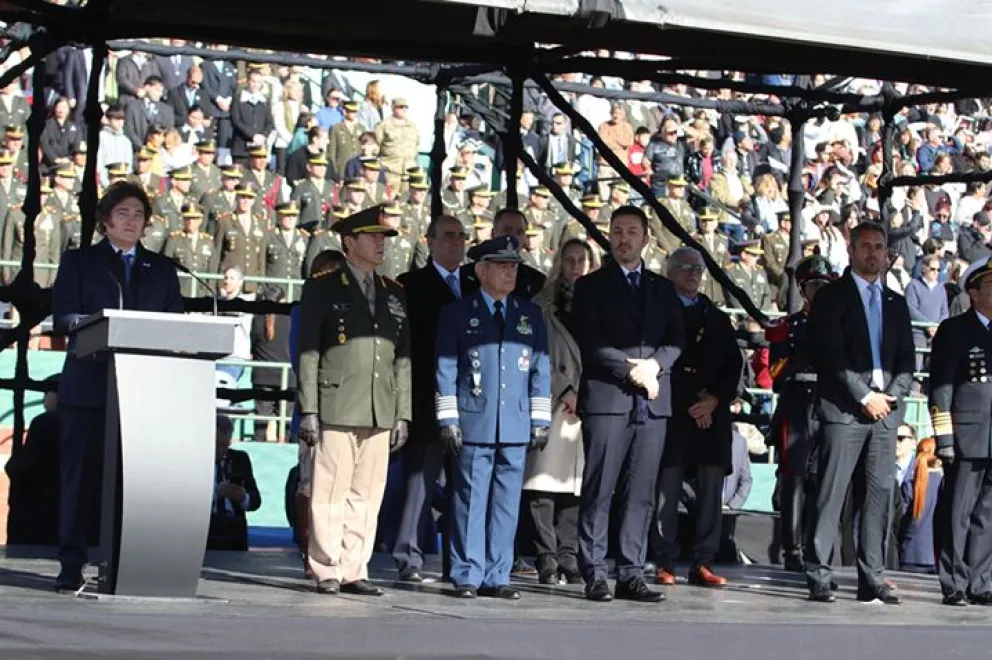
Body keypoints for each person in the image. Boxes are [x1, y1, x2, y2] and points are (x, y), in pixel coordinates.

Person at [51, 181, 184, 591]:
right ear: (105, 220)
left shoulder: (161, 269)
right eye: (123, 213)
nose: (131, 221)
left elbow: (175, 326)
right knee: (80, 482)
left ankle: (125, 566)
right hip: (89, 390)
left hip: (141, 396)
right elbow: (62, 319)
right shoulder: (79, 263)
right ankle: (71, 566)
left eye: (139, 215)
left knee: (133, 486)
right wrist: (95, 323)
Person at [572, 205, 685, 603]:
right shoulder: (590, 287)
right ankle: (595, 571)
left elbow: (676, 339)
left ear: (645, 239)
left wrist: (654, 366)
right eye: (617, 231)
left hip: (652, 403)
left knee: (640, 492)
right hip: (609, 398)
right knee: (599, 488)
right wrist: (631, 371)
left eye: (632, 231)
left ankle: (632, 572)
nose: (624, 238)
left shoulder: (662, 288)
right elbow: (592, 341)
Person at [296, 205, 412, 596]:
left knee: (367, 492)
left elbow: (403, 358)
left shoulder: (394, 292)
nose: (381, 243)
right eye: (373, 236)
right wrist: (309, 409)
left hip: (380, 405)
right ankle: (326, 565)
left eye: (383, 237)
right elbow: (309, 351)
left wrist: (403, 413)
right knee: (330, 489)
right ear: (349, 242)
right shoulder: (324, 286)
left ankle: (354, 566)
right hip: (337, 403)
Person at [435, 235, 552, 599]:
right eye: (502, 266)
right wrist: (449, 419)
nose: (510, 273)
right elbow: (446, 368)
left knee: (505, 502)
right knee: (470, 499)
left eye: (514, 266)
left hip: (515, 424)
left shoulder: (529, 314)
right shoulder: (457, 313)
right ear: (481, 271)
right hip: (475, 420)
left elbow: (540, 369)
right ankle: (467, 572)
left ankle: (498, 574)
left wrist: (540, 419)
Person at [806, 221, 915, 604]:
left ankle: (872, 576)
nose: (873, 254)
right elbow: (830, 355)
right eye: (865, 246)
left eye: (879, 247)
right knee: (831, 494)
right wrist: (864, 395)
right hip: (844, 410)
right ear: (851, 251)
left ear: (887, 253)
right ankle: (819, 571)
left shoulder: (896, 303)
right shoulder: (832, 298)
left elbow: (907, 361)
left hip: (885, 415)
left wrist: (889, 397)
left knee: (879, 496)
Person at [653, 246, 743, 588]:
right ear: (671, 271)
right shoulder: (661, 311)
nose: (694, 273)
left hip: (711, 416)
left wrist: (713, 400)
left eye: (699, 268)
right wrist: (694, 403)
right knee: (667, 490)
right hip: (674, 413)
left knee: (710, 492)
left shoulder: (715, 316)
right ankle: (665, 559)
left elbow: (733, 366)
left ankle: (703, 560)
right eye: (687, 267)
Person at [392, 214, 471, 583]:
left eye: (462, 237)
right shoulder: (411, 285)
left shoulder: (474, 283)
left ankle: (459, 562)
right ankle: (409, 556)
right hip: (426, 399)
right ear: (429, 241)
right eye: (448, 236)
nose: (456, 243)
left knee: (463, 486)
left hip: (469, 403)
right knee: (420, 482)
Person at [522, 239, 597, 585]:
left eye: (582, 260)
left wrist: (585, 393)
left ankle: (569, 556)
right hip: (555, 403)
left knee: (575, 486)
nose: (576, 266)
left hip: (588, 405)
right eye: (570, 260)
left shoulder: (600, 305)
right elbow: (535, 355)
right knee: (544, 483)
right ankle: (546, 557)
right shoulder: (542, 306)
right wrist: (565, 390)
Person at [929, 254, 992, 606]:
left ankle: (980, 580)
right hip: (966, 434)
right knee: (958, 512)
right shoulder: (955, 330)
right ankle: (953, 581)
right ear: (973, 292)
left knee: (987, 514)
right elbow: (940, 387)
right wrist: (945, 438)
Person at [765, 254, 835, 572]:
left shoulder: (839, 323)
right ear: (803, 289)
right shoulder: (789, 327)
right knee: (793, 477)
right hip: (797, 404)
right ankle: (791, 548)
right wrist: (797, 355)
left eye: (824, 286)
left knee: (823, 478)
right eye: (813, 286)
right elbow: (774, 373)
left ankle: (815, 547)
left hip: (829, 403)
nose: (819, 292)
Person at [287, 249, 346, 577]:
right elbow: (301, 360)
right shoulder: (303, 311)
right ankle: (310, 553)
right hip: (315, 411)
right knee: (311, 486)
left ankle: (338, 553)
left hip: (348, 412)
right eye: (324, 273)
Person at [461, 208, 547, 300]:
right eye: (507, 230)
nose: (513, 237)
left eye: (519, 232)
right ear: (493, 233)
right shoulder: (465, 276)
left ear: (525, 238)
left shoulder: (537, 281)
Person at [207, 415, 262, 551]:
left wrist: (243, 497)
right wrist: (214, 494)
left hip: (233, 528)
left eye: (226, 444)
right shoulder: (196, 462)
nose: (222, 450)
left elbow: (256, 500)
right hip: (207, 527)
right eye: (218, 445)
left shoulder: (240, 459)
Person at [898, 438, 942, 575]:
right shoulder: (945, 484)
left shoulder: (910, 483)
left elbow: (900, 518)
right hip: (935, 556)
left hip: (909, 553)